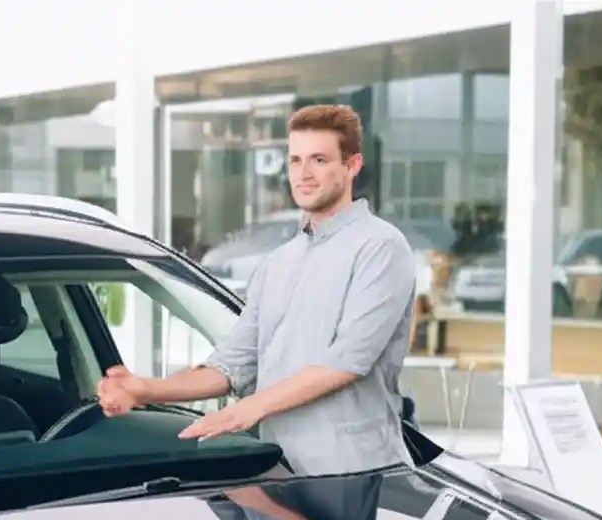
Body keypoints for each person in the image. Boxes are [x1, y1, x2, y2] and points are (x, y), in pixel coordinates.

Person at [97, 104, 417, 476]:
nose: (304, 174)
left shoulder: (380, 247)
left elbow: (347, 361)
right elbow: (233, 364)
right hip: (275, 472)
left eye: (319, 159)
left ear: (352, 165)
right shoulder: (278, 262)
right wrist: (145, 389)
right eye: (295, 160)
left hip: (355, 472)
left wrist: (247, 409)